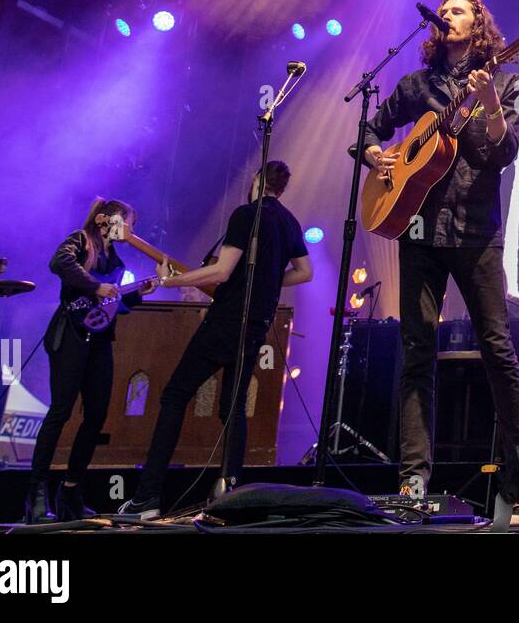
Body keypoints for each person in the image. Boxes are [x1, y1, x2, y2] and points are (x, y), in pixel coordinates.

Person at [360, 0, 519, 497]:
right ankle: (413, 479)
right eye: (446, 9)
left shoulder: (504, 80)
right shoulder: (417, 86)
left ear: (479, 24)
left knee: (498, 349)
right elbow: (371, 128)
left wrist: (493, 107)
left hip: (477, 232)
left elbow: (502, 153)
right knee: (417, 352)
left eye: (459, 9)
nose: (448, 14)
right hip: (417, 230)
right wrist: (376, 155)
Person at [119, 160, 312, 517]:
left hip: (226, 319)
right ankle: (231, 495)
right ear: (281, 188)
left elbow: (222, 271)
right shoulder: (289, 221)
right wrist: (267, 284)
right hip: (256, 323)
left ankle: (148, 497)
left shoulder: (245, 214)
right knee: (233, 408)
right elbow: (305, 272)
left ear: (256, 181)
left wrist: (171, 282)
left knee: (175, 394)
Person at [27, 198, 161, 523]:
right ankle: (36, 494)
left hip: (99, 340)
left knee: (97, 413)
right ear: (106, 219)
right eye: (126, 223)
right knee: (61, 411)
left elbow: (115, 301)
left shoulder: (114, 257)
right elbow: (60, 263)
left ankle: (71, 491)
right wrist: (96, 286)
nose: (129, 231)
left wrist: (141, 292)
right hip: (70, 335)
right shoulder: (81, 239)